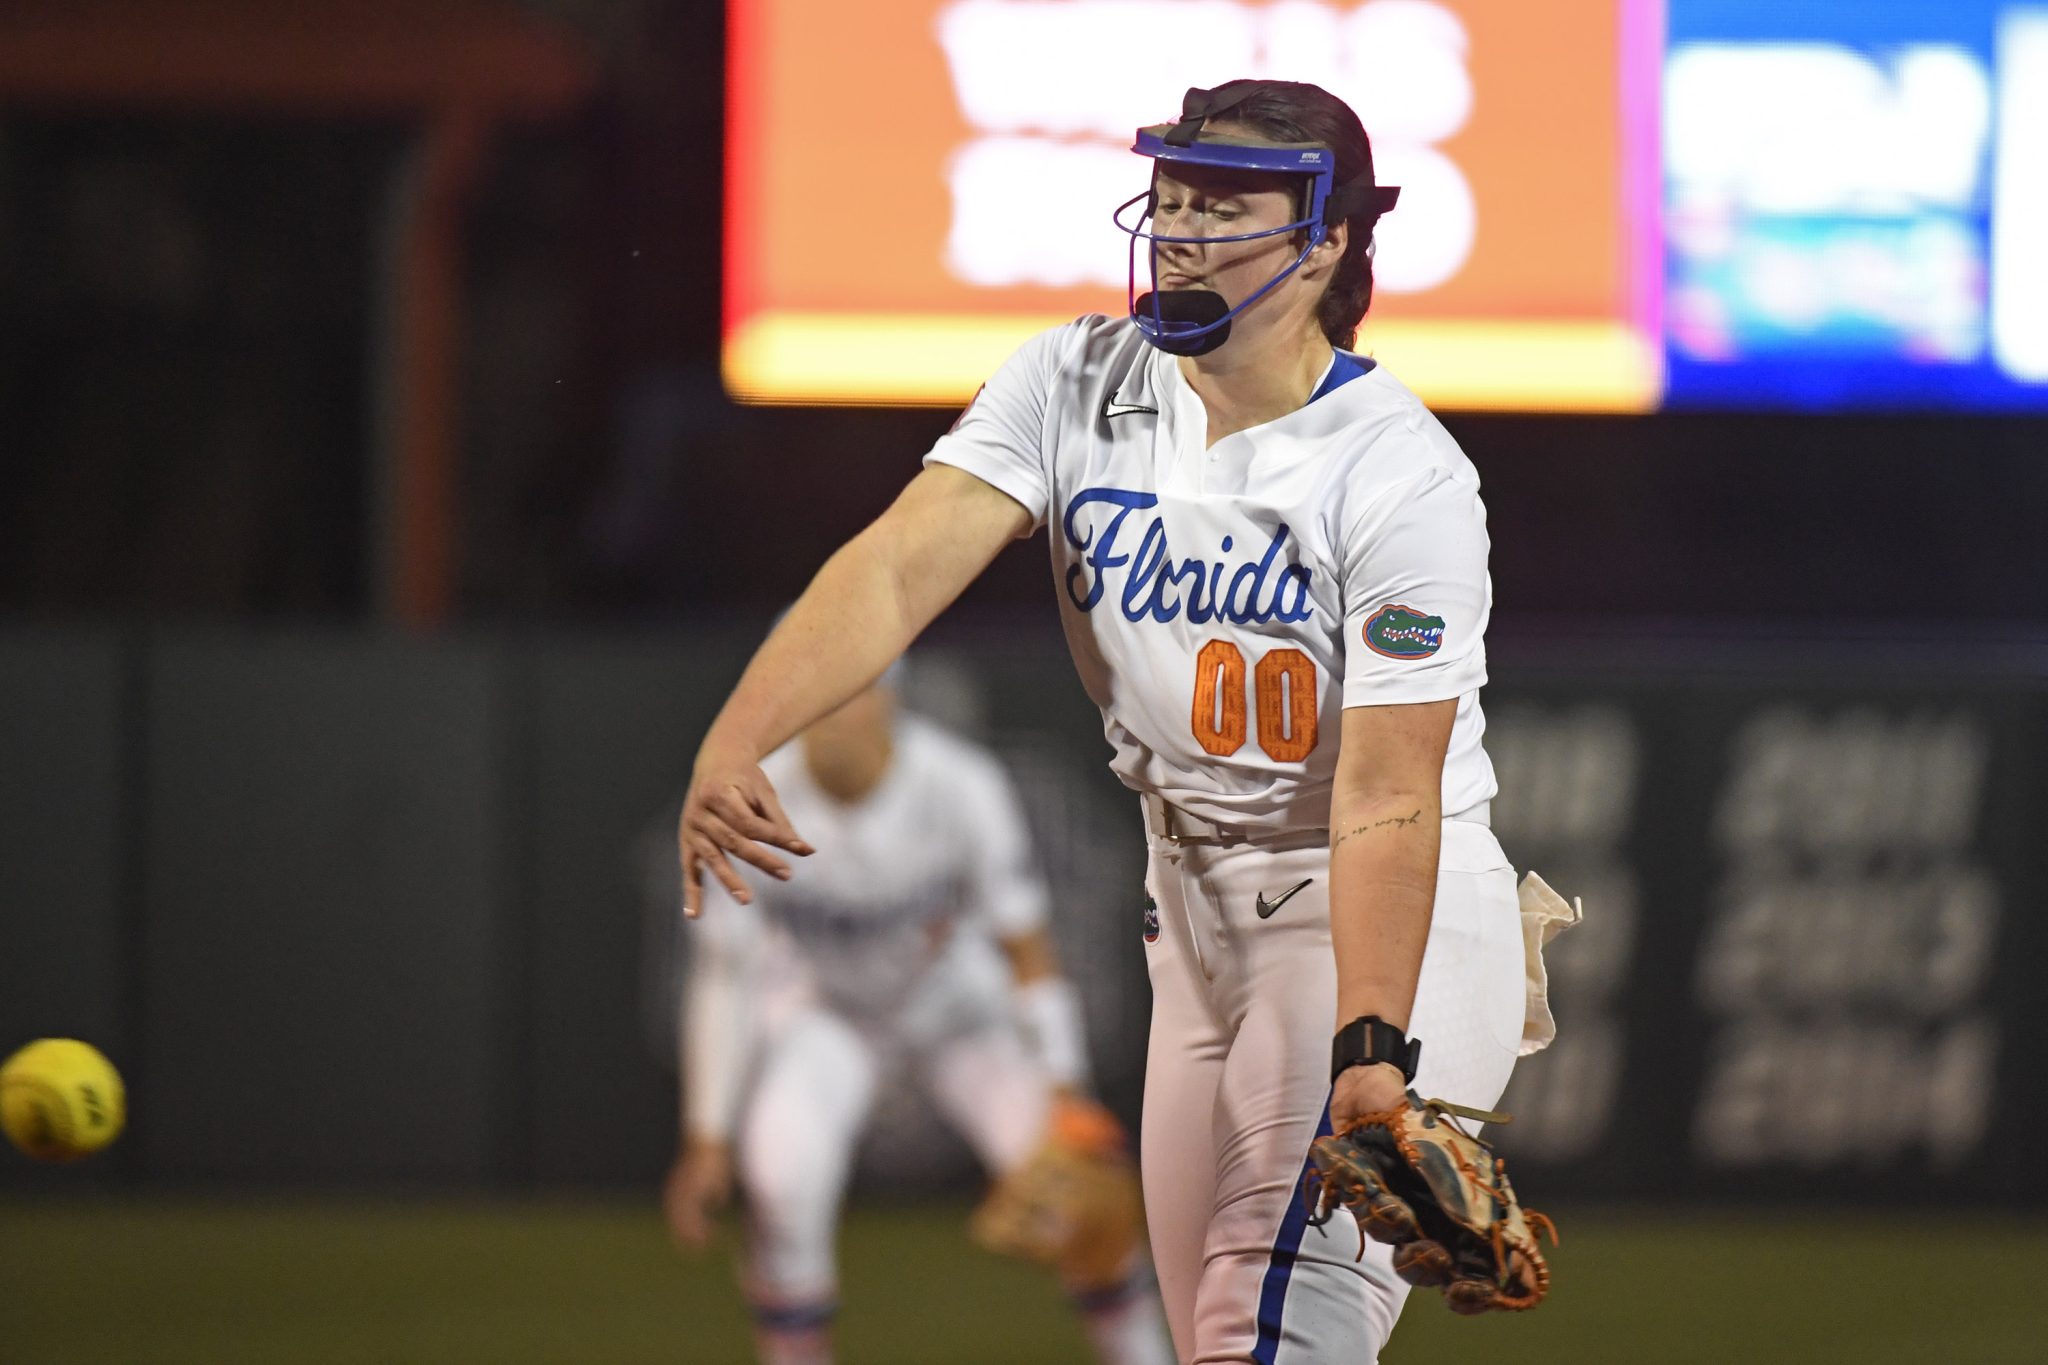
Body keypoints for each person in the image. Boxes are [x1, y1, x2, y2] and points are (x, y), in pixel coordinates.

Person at [679, 79, 1537, 1363]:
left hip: (1364, 917)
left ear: (1326, 240)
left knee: (1270, 1339)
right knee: (1210, 1340)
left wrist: (1373, 1043)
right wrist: (738, 733)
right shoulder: (1075, 377)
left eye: (1223, 204)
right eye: (1174, 194)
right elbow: (899, 564)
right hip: (1186, 918)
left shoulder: (1399, 473)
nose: (1181, 226)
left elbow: (1388, 791)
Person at [663, 670, 1175, 1365]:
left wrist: (1067, 1091)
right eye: (812, 695)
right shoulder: (750, 798)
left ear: (888, 697)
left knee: (1084, 1200)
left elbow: (1025, 946)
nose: (831, 712)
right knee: (782, 1179)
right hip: (828, 1015)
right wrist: (707, 1134)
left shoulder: (959, 783)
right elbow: (725, 973)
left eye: (847, 689)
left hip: (954, 1009)